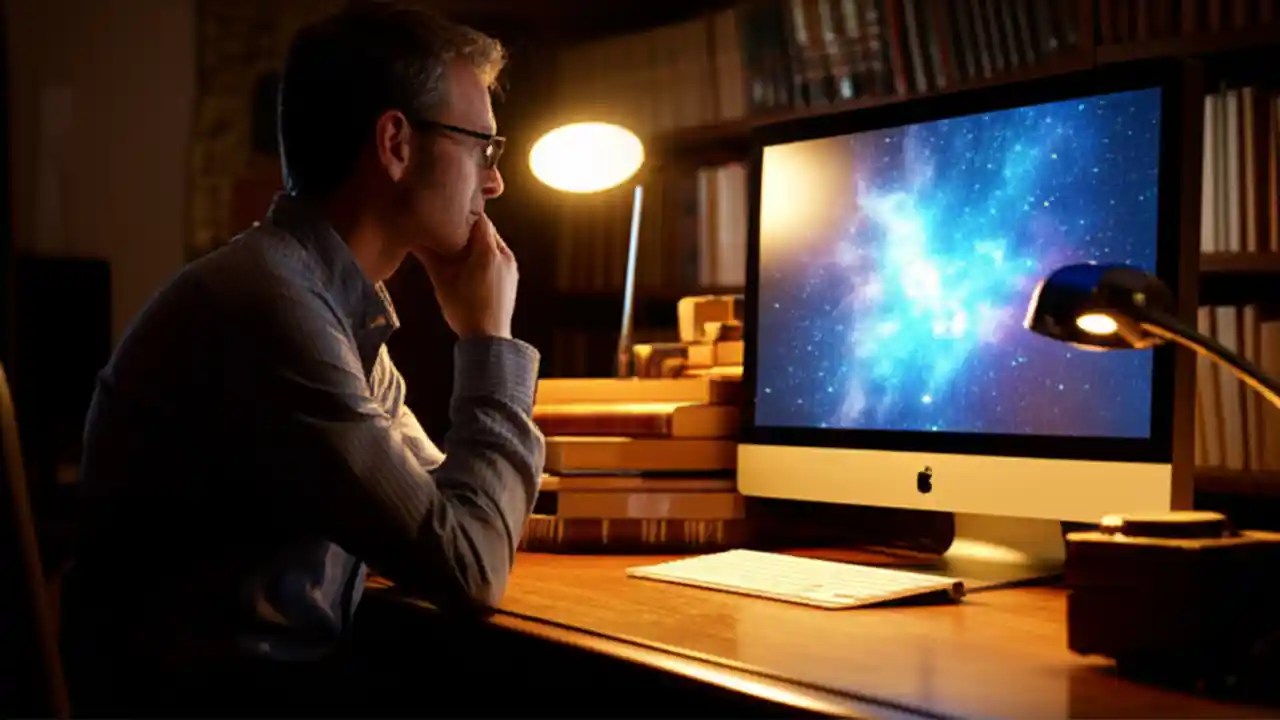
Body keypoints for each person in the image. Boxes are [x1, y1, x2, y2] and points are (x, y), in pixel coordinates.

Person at [59, 1, 544, 714]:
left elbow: (440, 507)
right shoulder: (269, 310)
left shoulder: (329, 304)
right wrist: (487, 342)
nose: (494, 182)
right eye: (483, 147)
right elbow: (466, 564)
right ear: (396, 144)